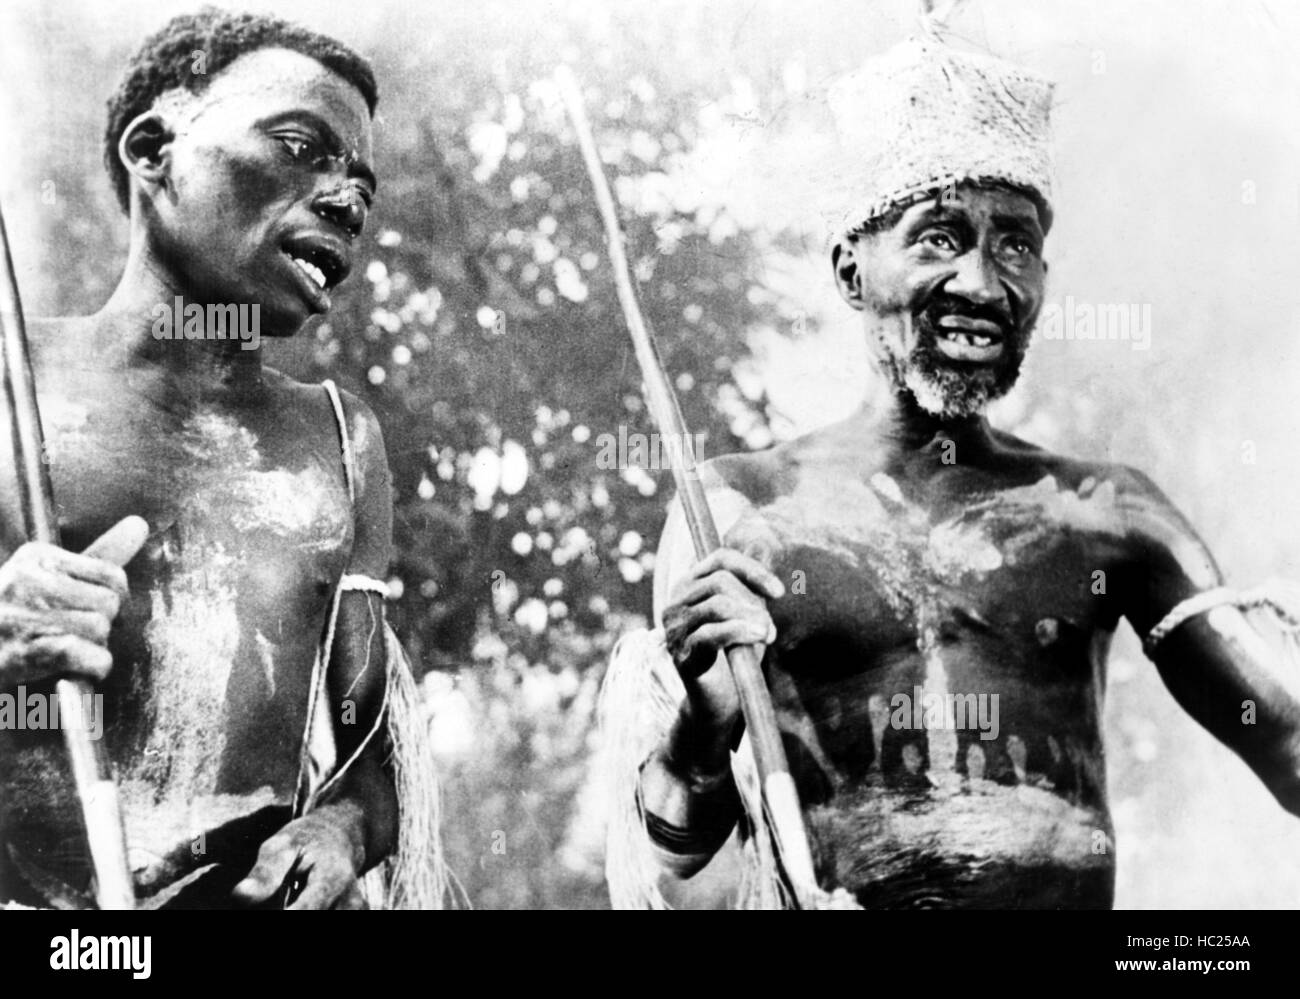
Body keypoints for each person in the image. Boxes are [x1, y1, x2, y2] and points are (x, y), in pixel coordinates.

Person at [604, 31, 1300, 909]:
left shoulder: (1104, 514)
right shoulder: (742, 509)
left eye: (1015, 244)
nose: (981, 281)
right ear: (852, 271)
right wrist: (703, 726)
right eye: (938, 237)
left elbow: (1291, 747)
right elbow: (668, 867)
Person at [0, 8, 443, 909]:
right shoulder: (11, 381)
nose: (347, 198)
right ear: (153, 147)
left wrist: (345, 827)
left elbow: (369, 763)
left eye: (361, 179)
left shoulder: (340, 441)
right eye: (301, 146)